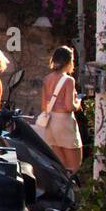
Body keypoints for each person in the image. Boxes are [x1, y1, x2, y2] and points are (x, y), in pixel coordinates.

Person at [39, 45, 84, 173]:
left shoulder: (47, 79)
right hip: (64, 122)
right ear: (69, 61)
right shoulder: (68, 80)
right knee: (74, 165)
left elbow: (44, 106)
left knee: (60, 165)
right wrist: (78, 102)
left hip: (50, 121)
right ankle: (70, 191)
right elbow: (69, 106)